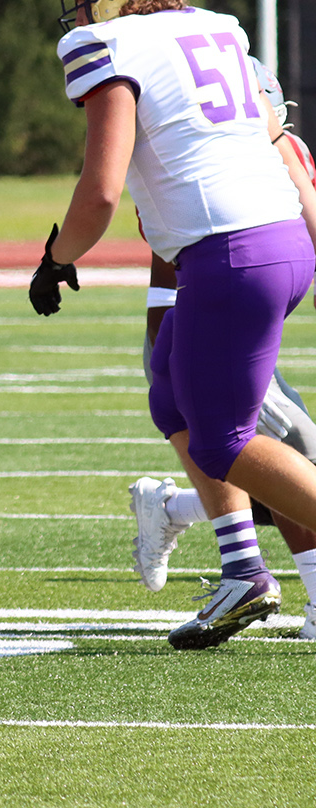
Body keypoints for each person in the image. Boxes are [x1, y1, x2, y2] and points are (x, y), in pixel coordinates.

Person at [32, 0, 316, 649]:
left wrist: (58, 257)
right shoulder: (218, 28)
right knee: (170, 387)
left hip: (231, 256)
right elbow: (271, 138)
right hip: (271, 242)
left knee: (225, 441)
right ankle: (243, 573)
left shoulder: (109, 42)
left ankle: (260, 572)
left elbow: (99, 190)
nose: (78, 3)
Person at [128, 57, 316, 644]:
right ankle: (242, 566)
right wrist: (168, 346)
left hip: (238, 310)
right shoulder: (201, 163)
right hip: (210, 313)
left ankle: (180, 515)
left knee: (268, 453)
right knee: (288, 449)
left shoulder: (275, 151)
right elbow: (170, 265)